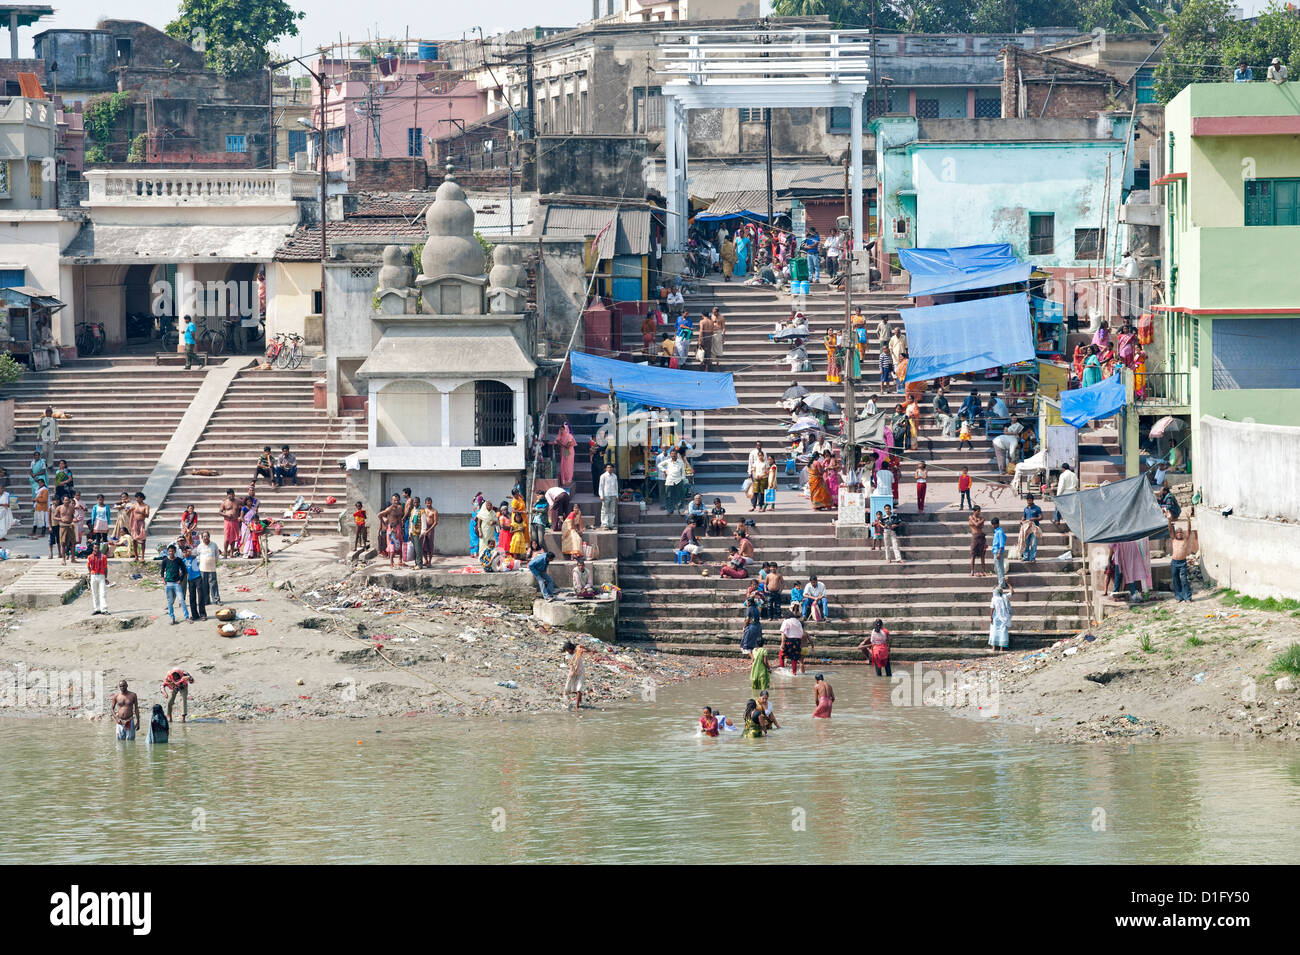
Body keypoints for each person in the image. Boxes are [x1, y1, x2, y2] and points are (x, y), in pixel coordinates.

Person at [1168, 513, 1198, 602]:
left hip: (1182, 563)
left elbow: (1189, 529)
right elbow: (1170, 529)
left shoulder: (1185, 539)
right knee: (1176, 580)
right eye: (1178, 532)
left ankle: (1187, 597)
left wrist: (1188, 519)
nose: (1179, 534)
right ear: (1176, 534)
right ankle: (1178, 597)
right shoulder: (1173, 539)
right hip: (1174, 562)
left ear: (1183, 533)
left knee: (1184, 580)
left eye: (1181, 532)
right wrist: (1169, 519)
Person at [161, 544, 188, 623]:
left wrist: (180, 580)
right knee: (170, 602)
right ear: (168, 552)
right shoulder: (165, 560)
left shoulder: (179, 560)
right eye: (169, 551)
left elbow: (184, 571)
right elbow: (162, 571)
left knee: (181, 600)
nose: (171, 553)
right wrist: (163, 581)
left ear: (175, 551)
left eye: (172, 551)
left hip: (176, 583)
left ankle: (186, 617)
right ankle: (172, 618)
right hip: (168, 584)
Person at [183, 542, 207, 622]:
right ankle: (194, 615)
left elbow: (197, 555)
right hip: (190, 580)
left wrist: (192, 553)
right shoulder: (183, 561)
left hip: (198, 578)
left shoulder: (194, 557)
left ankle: (203, 614)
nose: (186, 553)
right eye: (184, 552)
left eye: (187, 551)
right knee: (192, 597)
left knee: (200, 596)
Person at [198, 530, 221, 605]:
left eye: (207, 536)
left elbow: (217, 554)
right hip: (202, 568)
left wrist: (215, 562)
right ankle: (206, 600)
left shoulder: (214, 545)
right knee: (204, 585)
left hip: (212, 568)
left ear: (209, 537)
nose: (205, 538)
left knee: (213, 583)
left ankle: (216, 599)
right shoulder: (200, 546)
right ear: (202, 538)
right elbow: (198, 556)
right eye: (204, 536)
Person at [663, 447, 688, 515]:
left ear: (677, 455)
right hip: (669, 481)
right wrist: (664, 470)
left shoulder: (680, 462)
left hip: (678, 480)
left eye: (674, 454)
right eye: (672, 454)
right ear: (670, 455)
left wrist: (682, 479)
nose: (673, 455)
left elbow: (683, 472)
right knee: (669, 496)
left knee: (680, 496)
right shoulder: (668, 461)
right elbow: (659, 465)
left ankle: (681, 510)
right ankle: (669, 510)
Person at [989, 583, 1014, 650]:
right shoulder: (1005, 597)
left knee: (994, 631)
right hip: (1004, 617)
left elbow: (992, 608)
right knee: (1002, 631)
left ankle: (993, 647)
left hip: (996, 617)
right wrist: (1009, 583)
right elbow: (1012, 592)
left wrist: (991, 617)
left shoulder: (994, 598)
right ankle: (1001, 648)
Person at [87, 541, 109, 615]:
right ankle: (97, 609)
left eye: (98, 548)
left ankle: (104, 609)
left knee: (103, 593)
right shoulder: (90, 557)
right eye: (95, 548)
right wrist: (91, 573)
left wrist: (106, 577)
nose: (97, 549)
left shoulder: (103, 557)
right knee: (94, 593)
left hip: (101, 575)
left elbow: (105, 568)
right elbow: (88, 566)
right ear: (93, 548)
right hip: (94, 576)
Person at [779, 610, 804, 674]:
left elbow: (783, 633)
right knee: (794, 657)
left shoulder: (786, 621)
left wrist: (782, 643)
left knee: (781, 654)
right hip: (797, 641)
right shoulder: (798, 621)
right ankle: (794, 672)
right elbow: (801, 633)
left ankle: (782, 669)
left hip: (789, 640)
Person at [554, 421, 577, 487]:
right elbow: (556, 441)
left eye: (563, 429)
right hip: (564, 452)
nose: (561, 430)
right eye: (560, 429)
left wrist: (560, 443)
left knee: (568, 466)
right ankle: (563, 480)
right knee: (563, 466)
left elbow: (567, 446)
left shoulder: (570, 436)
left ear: (566, 429)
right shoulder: (560, 436)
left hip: (569, 452)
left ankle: (569, 479)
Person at [562, 641, 585, 708]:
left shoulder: (577, 651)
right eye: (566, 650)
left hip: (580, 672)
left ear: (571, 648)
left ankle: (577, 707)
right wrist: (572, 671)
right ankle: (570, 702)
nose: (568, 651)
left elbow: (581, 647)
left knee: (579, 689)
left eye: (568, 649)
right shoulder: (568, 655)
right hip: (573, 671)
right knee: (567, 688)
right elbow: (571, 664)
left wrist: (590, 650)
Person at [1020, 495, 1042, 563]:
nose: (1029, 502)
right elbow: (1024, 516)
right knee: (1026, 542)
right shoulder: (1025, 509)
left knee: (1033, 543)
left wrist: (1034, 519)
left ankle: (1032, 558)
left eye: (1030, 500)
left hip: (1034, 528)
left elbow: (1041, 517)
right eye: (1028, 500)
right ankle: (1025, 557)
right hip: (1027, 528)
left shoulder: (1037, 508)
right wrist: (1022, 520)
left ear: (1033, 500)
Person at [969, 506, 989, 577]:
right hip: (975, 537)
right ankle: (972, 571)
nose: (979, 512)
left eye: (979, 511)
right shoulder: (971, 517)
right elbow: (976, 524)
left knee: (983, 555)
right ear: (974, 511)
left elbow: (980, 526)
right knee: (973, 555)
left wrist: (981, 521)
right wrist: (982, 521)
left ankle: (984, 571)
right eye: (978, 511)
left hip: (981, 537)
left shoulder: (980, 518)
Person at [129, 492, 149, 561]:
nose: (137, 499)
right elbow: (128, 511)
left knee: (143, 540)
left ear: (142, 498)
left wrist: (140, 512)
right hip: (134, 523)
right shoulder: (134, 505)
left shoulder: (145, 506)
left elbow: (147, 515)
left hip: (141, 523)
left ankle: (142, 556)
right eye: (136, 498)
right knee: (134, 540)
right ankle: (136, 556)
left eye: (138, 497)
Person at [598, 463, 619, 530]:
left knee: (612, 510)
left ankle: (611, 524)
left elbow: (616, 486)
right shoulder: (603, 476)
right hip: (606, 495)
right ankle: (604, 524)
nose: (609, 468)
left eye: (611, 467)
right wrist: (601, 495)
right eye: (608, 467)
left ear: (613, 468)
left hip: (613, 495)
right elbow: (601, 486)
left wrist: (617, 495)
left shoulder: (614, 476)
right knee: (604, 510)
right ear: (606, 468)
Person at [990, 517, 1007, 588]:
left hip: (998, 552)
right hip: (996, 552)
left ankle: (1001, 584)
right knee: (998, 568)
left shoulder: (999, 532)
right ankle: (1001, 583)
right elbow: (1005, 537)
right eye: (993, 525)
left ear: (997, 524)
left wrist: (999, 553)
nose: (993, 526)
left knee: (999, 569)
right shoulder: (997, 531)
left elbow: (1002, 543)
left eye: (994, 524)